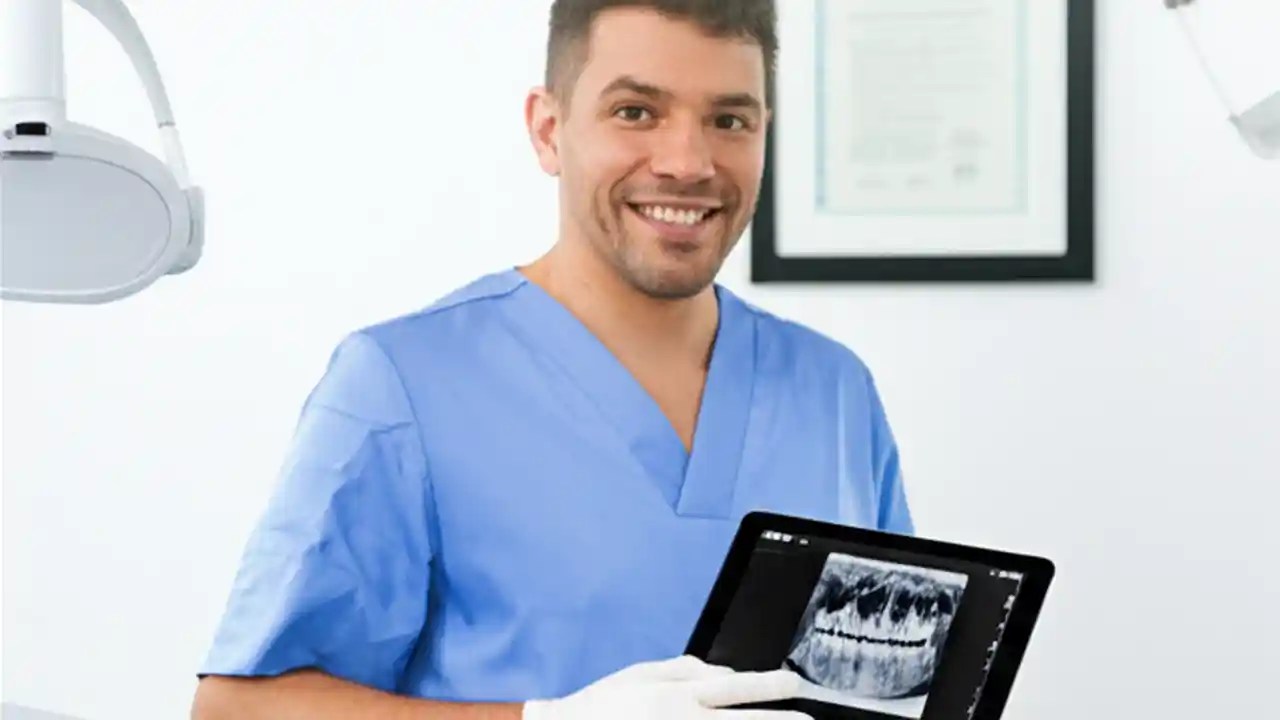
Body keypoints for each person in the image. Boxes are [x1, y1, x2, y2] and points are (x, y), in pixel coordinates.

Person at [190, 1, 914, 718]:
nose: (688, 163)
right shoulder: (403, 384)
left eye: (730, 120)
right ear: (548, 130)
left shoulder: (835, 390)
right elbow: (236, 711)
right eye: (636, 111)